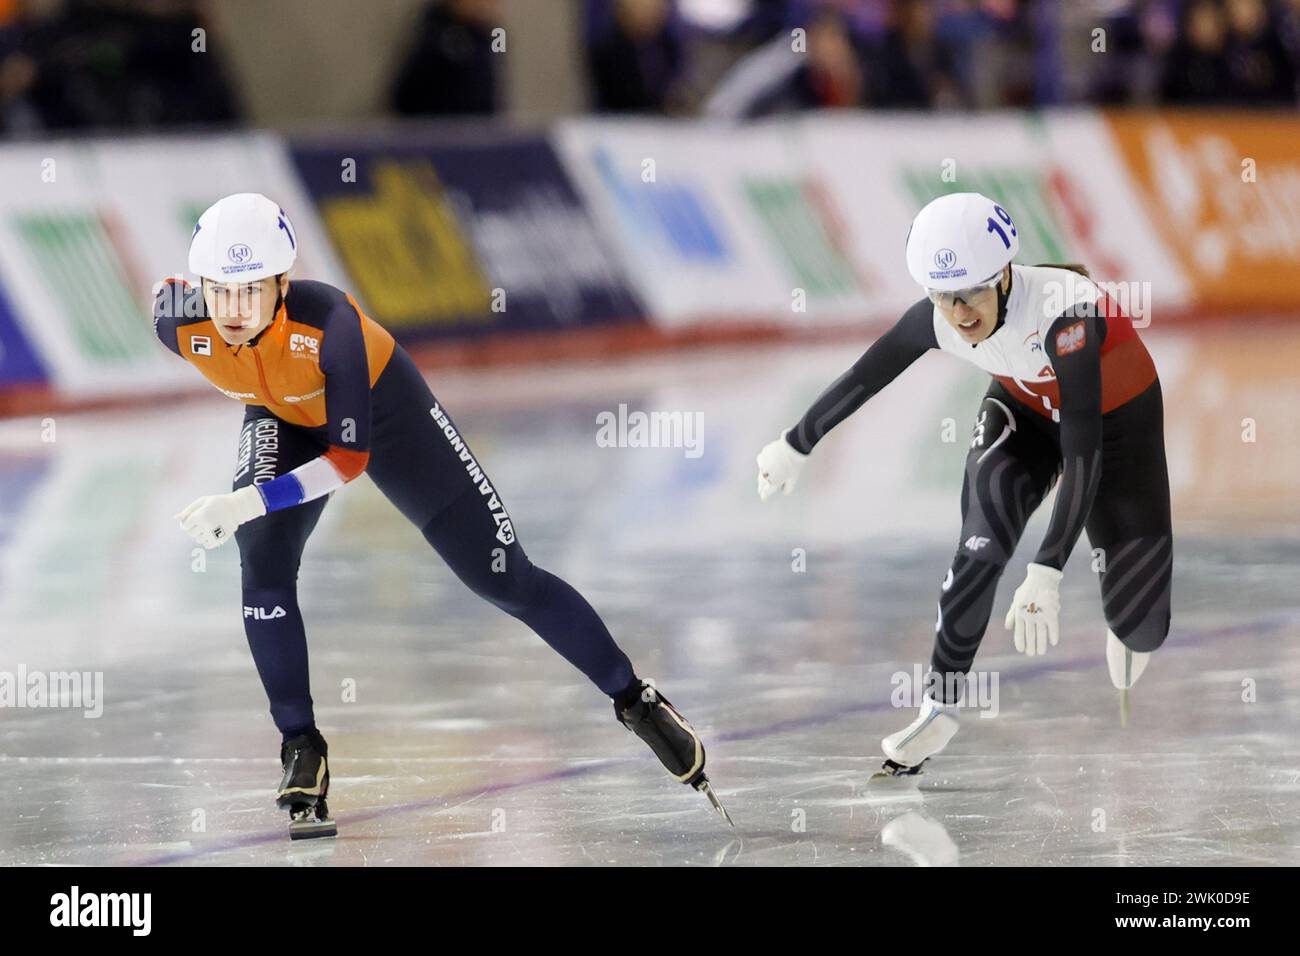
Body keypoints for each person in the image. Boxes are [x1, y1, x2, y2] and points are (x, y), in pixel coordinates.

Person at [153, 193, 730, 837]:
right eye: (219, 291)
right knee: (261, 561)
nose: (231, 309)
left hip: (386, 417)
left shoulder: (332, 327)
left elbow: (347, 462)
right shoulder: (176, 318)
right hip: (283, 419)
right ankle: (301, 744)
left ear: (283, 285)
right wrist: (253, 507)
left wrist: (245, 499)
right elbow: (169, 293)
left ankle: (635, 700)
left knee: (501, 576)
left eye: (251, 291)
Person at [755, 192, 1172, 776]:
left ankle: (1128, 628)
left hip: (1114, 425)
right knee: (979, 547)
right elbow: (865, 376)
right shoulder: (937, 316)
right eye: (942, 296)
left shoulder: (1068, 315)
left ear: (1003, 276)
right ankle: (941, 705)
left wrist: (1047, 571)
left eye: (971, 292)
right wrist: (794, 443)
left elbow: (1082, 450)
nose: (958, 313)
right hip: (1022, 413)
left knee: (1143, 628)